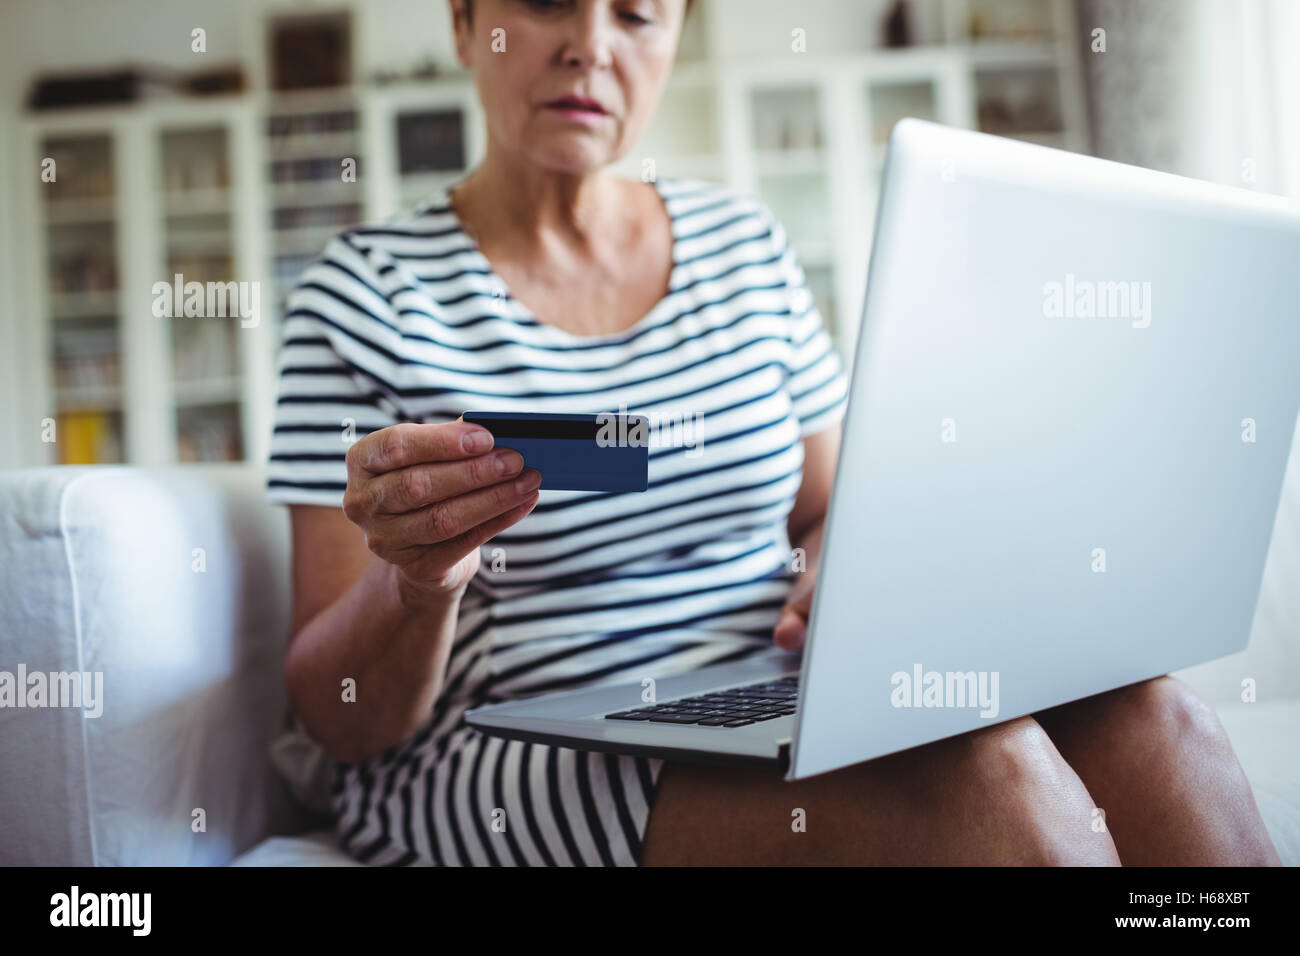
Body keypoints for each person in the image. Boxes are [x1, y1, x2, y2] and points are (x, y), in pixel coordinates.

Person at [264, 0, 1281, 866]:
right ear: (463, 21)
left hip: (769, 690)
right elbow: (342, 714)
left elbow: (832, 509)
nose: (589, 43)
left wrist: (839, 575)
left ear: (674, 37)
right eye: (542, 2)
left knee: (1159, 721)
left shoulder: (743, 246)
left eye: (636, 12)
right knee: (991, 774)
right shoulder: (361, 294)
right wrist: (418, 580)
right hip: (511, 740)